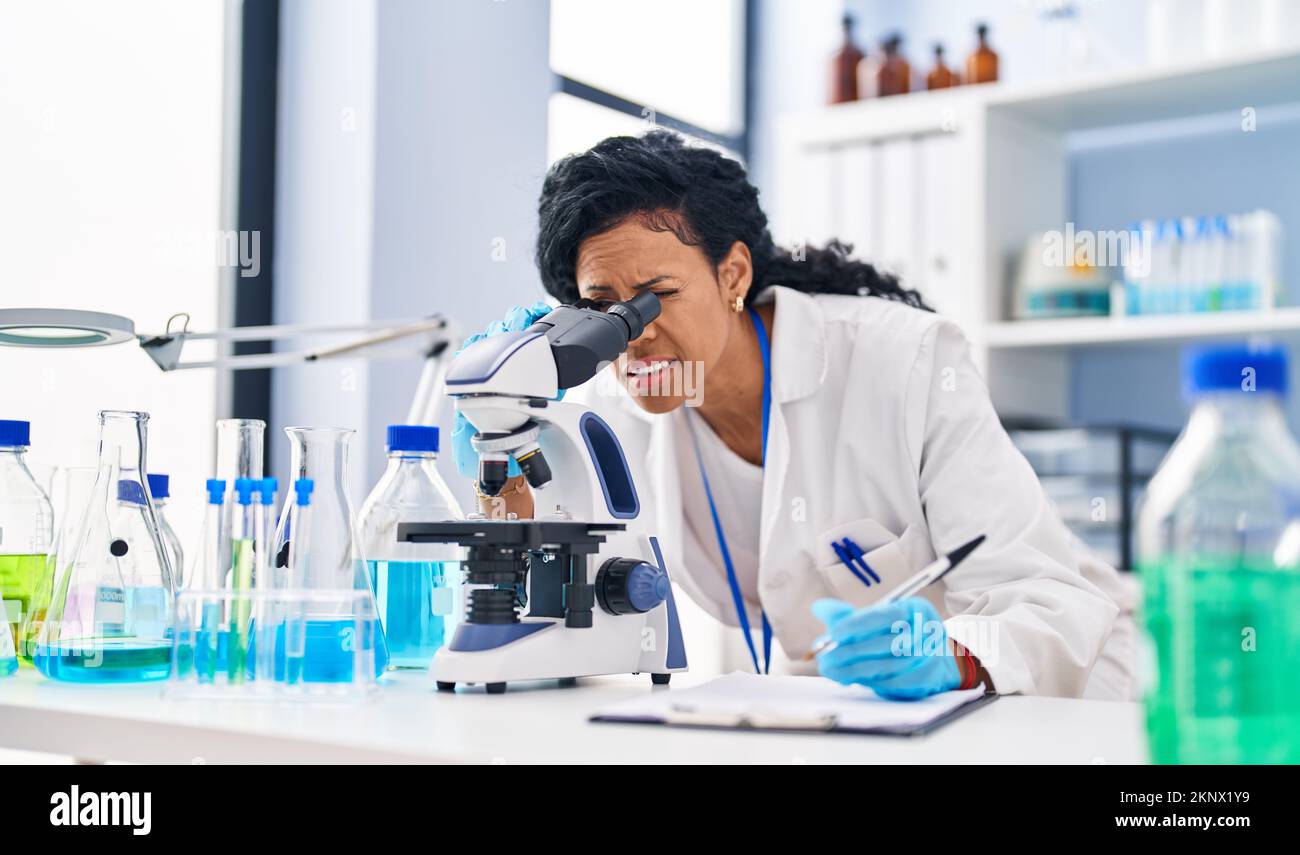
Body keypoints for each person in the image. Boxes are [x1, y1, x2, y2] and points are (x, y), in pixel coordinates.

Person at [454, 130, 1136, 700]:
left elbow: (1049, 598)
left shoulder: (909, 361)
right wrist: (508, 442)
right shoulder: (611, 411)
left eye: (656, 295)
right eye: (600, 308)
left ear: (733, 276)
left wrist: (955, 656)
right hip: (855, 709)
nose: (633, 334)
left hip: (1058, 696)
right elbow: (548, 598)